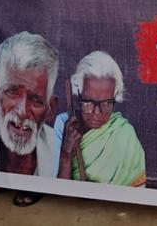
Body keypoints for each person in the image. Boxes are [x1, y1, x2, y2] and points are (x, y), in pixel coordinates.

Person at [54, 51, 145, 186]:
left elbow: (135, 194)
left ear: (115, 97)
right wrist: (66, 153)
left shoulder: (125, 134)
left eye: (106, 103)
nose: (97, 113)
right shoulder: (63, 124)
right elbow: (57, 192)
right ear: (78, 94)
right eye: (88, 102)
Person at [0, 32, 59, 179]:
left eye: (36, 99)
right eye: (12, 92)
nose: (23, 111)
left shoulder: (60, 151)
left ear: (51, 108)